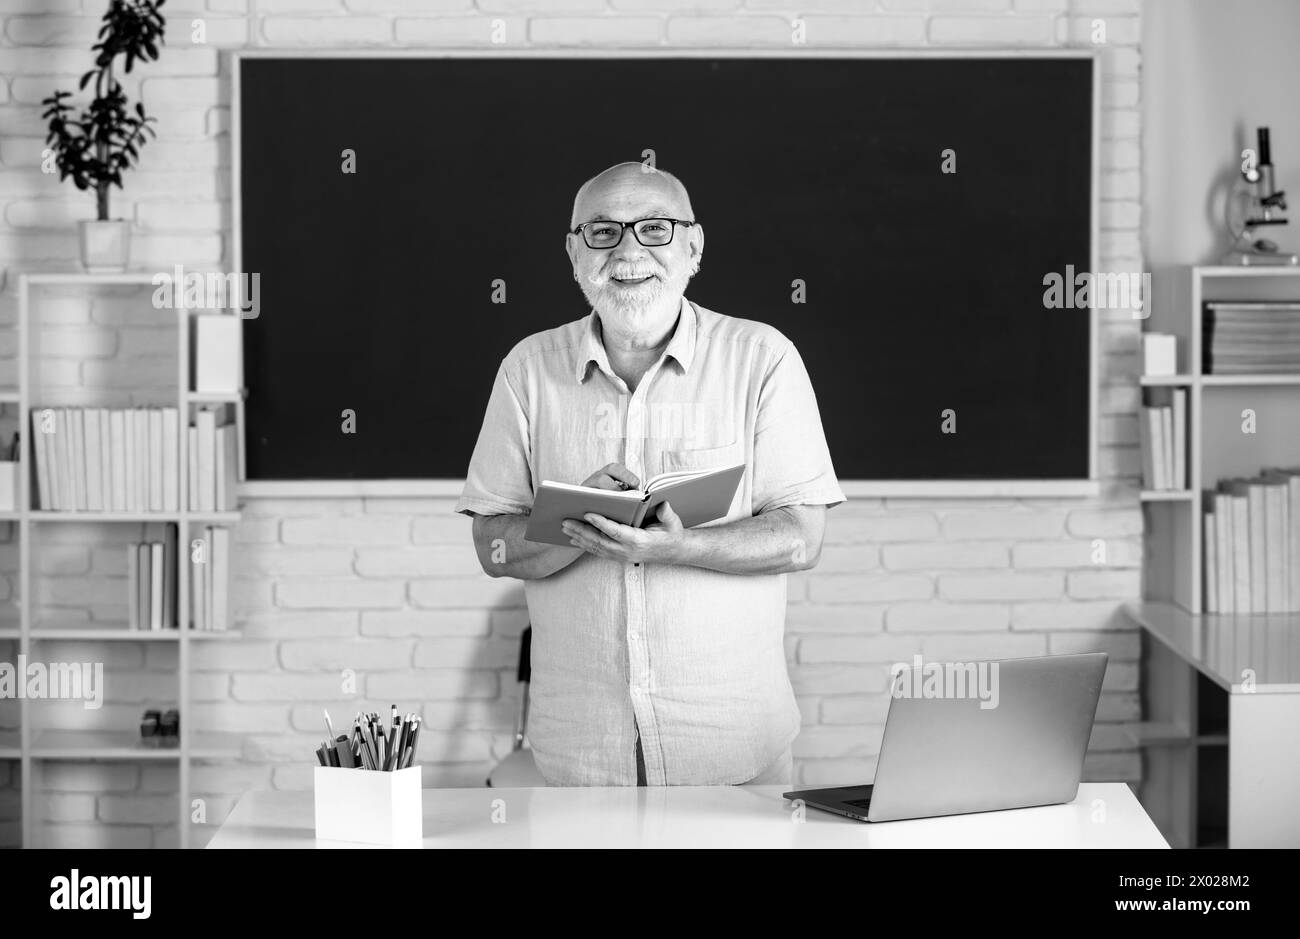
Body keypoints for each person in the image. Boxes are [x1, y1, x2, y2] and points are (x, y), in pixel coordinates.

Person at [456, 162, 844, 786]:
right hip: (578, 755)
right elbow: (493, 546)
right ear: (574, 252)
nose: (630, 250)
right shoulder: (526, 370)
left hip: (733, 748)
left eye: (656, 228)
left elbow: (802, 536)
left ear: (694, 247)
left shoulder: (763, 358)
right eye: (603, 231)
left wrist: (681, 546)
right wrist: (574, 521)